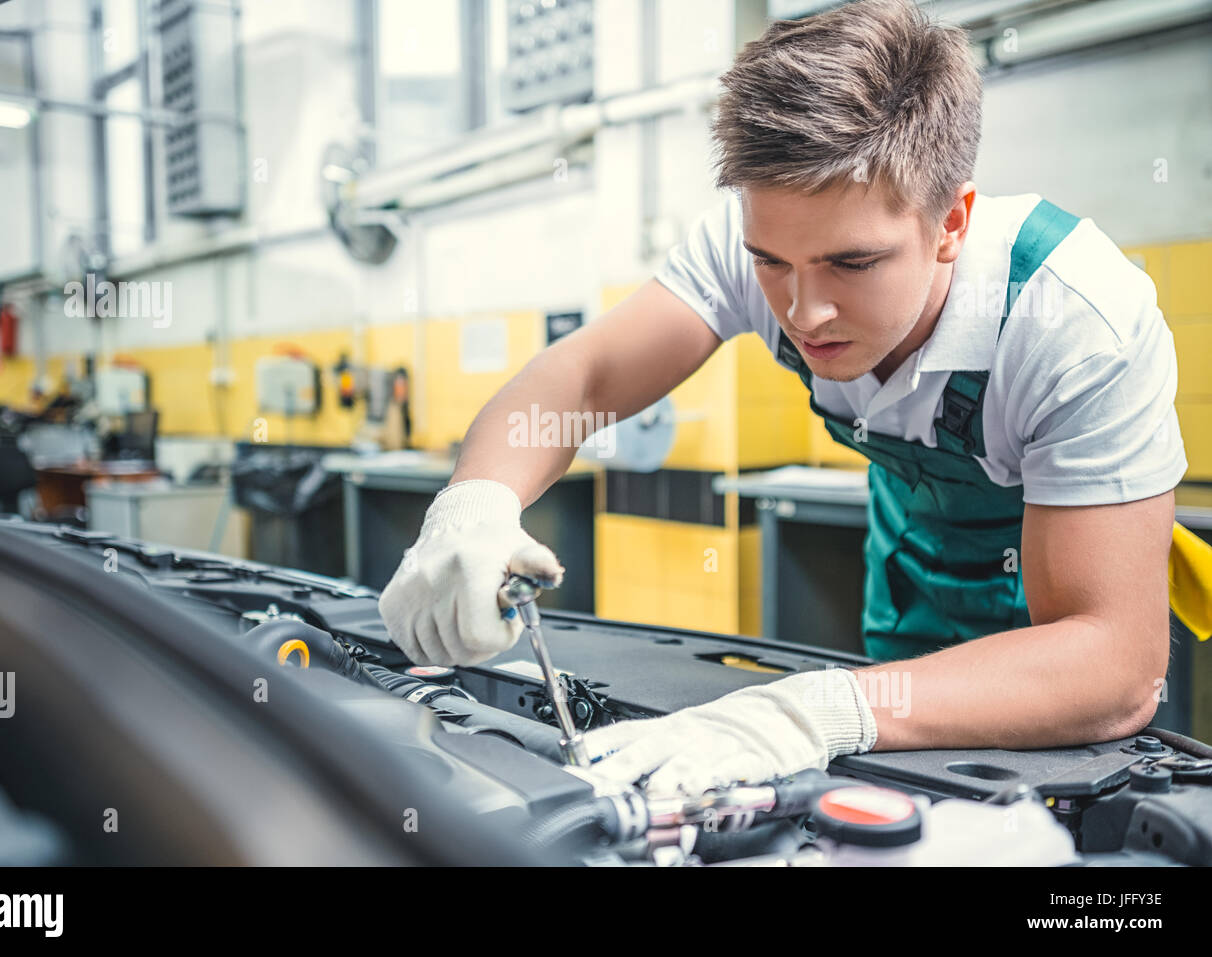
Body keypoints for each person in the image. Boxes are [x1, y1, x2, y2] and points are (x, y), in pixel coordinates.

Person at [378, 0, 1193, 797]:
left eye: (853, 264)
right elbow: (581, 381)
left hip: (1062, 680)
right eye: (771, 263)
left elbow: (1110, 662)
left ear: (952, 221)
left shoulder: (1075, 319)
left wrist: (811, 711)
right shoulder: (762, 240)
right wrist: (476, 504)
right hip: (910, 608)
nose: (804, 312)